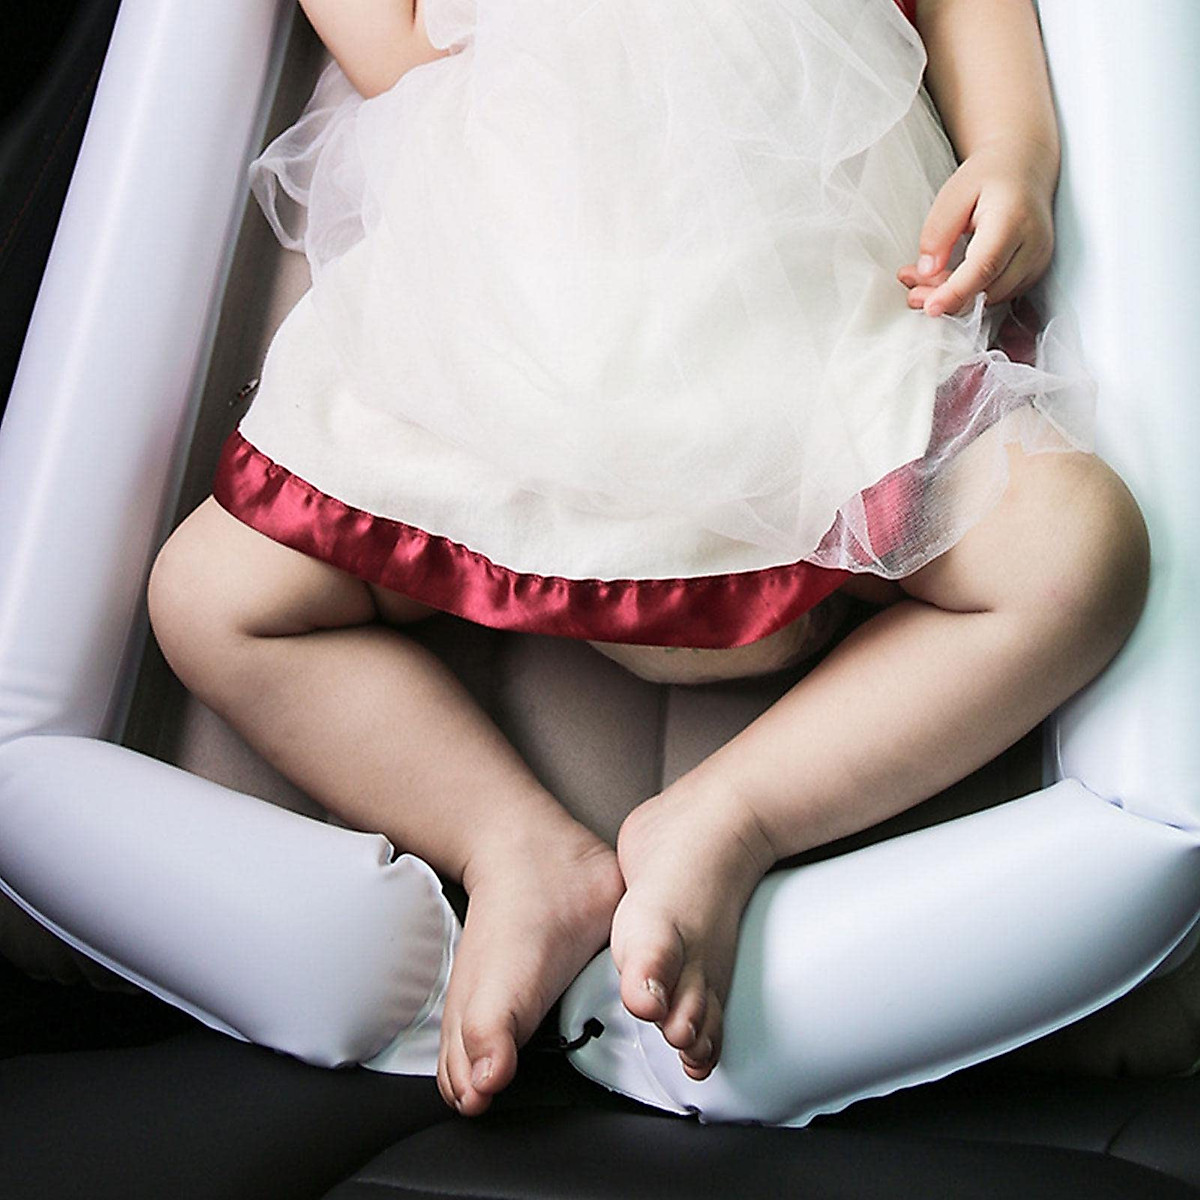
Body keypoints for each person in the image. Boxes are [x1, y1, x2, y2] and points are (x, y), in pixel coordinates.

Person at [146, 0, 1150, 1117]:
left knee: (1079, 556)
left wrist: (1012, 149)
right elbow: (402, 52)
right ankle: (516, 847)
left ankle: (730, 813)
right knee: (207, 597)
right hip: (509, 385)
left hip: (813, 382)